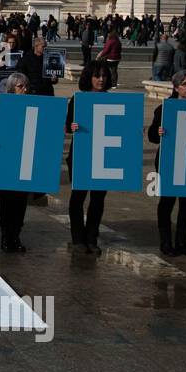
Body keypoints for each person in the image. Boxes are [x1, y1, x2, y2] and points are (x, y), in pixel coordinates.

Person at [150, 69, 186, 256]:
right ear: (176, 87)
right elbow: (152, 136)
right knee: (167, 202)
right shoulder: (165, 108)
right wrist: (159, 132)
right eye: (185, 83)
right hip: (168, 160)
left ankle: (181, 241)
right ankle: (165, 242)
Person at [65, 61, 113, 255]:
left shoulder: (113, 101)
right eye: (96, 76)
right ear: (89, 78)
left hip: (103, 155)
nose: (101, 80)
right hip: (81, 155)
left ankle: (92, 237)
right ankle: (78, 238)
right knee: (78, 197)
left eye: (104, 76)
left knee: (98, 198)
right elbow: (67, 125)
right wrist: (72, 127)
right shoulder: (78, 99)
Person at [0, 71, 32, 252]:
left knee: (21, 200)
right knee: (8, 200)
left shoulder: (33, 105)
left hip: (24, 158)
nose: (25, 90)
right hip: (7, 159)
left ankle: (16, 235)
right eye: (21, 86)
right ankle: (6, 236)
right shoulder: (1, 105)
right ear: (12, 89)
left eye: (26, 86)